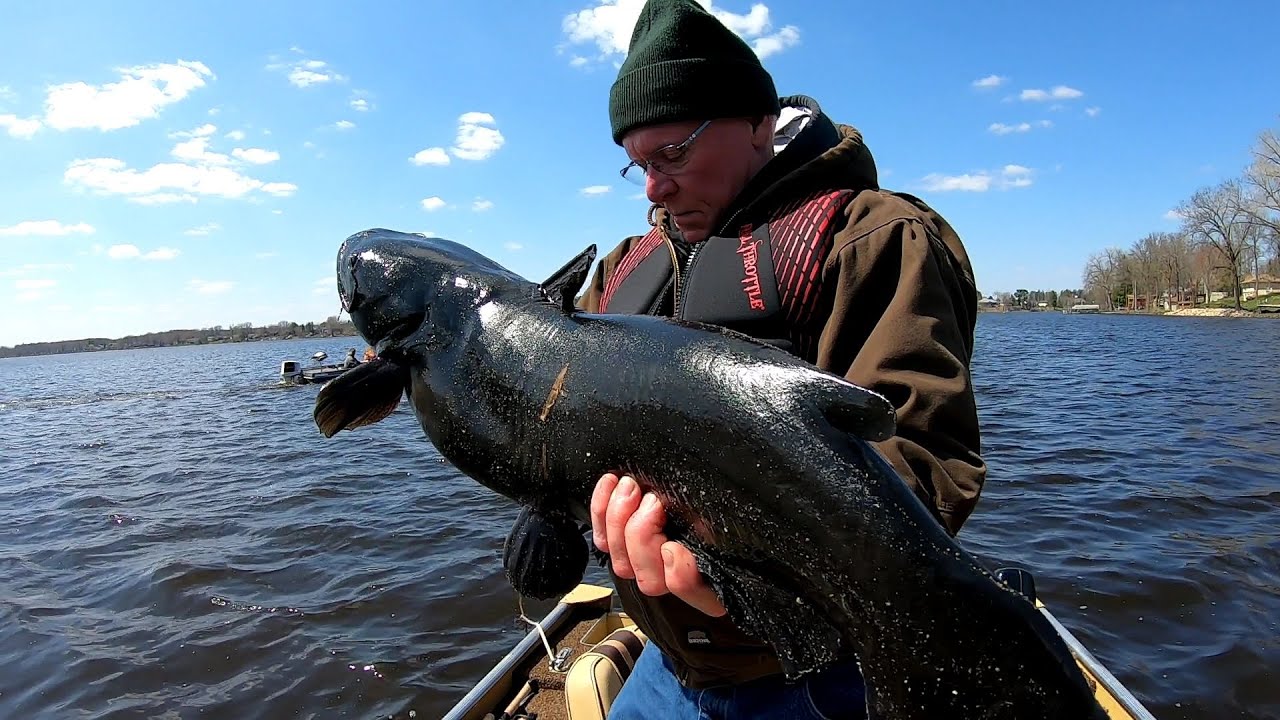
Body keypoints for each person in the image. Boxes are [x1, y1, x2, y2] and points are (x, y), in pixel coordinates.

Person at [571, 0, 988, 717]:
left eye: (673, 154)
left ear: (760, 124)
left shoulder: (871, 239)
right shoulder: (624, 267)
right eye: (637, 165)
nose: (654, 187)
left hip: (824, 676)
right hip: (676, 667)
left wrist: (744, 572)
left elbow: (920, 465)